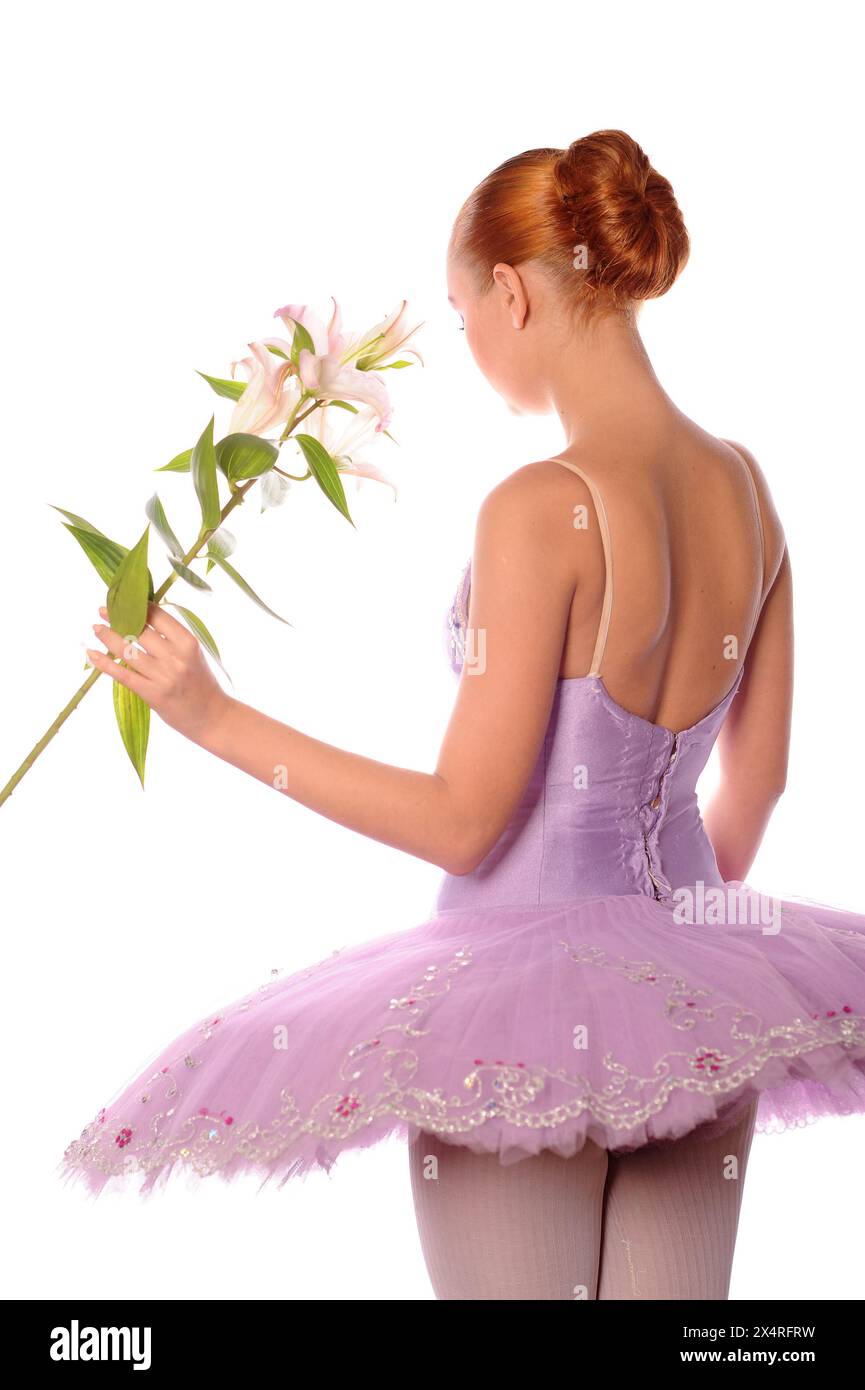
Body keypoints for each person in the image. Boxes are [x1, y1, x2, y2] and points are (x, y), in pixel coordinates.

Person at [62, 129, 865, 1300]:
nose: (470, 344)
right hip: (707, 1010)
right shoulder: (746, 487)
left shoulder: (540, 506)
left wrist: (214, 714)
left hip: (512, 1034)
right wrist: (677, 953)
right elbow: (758, 784)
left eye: (459, 312)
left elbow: (463, 823)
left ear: (509, 290)